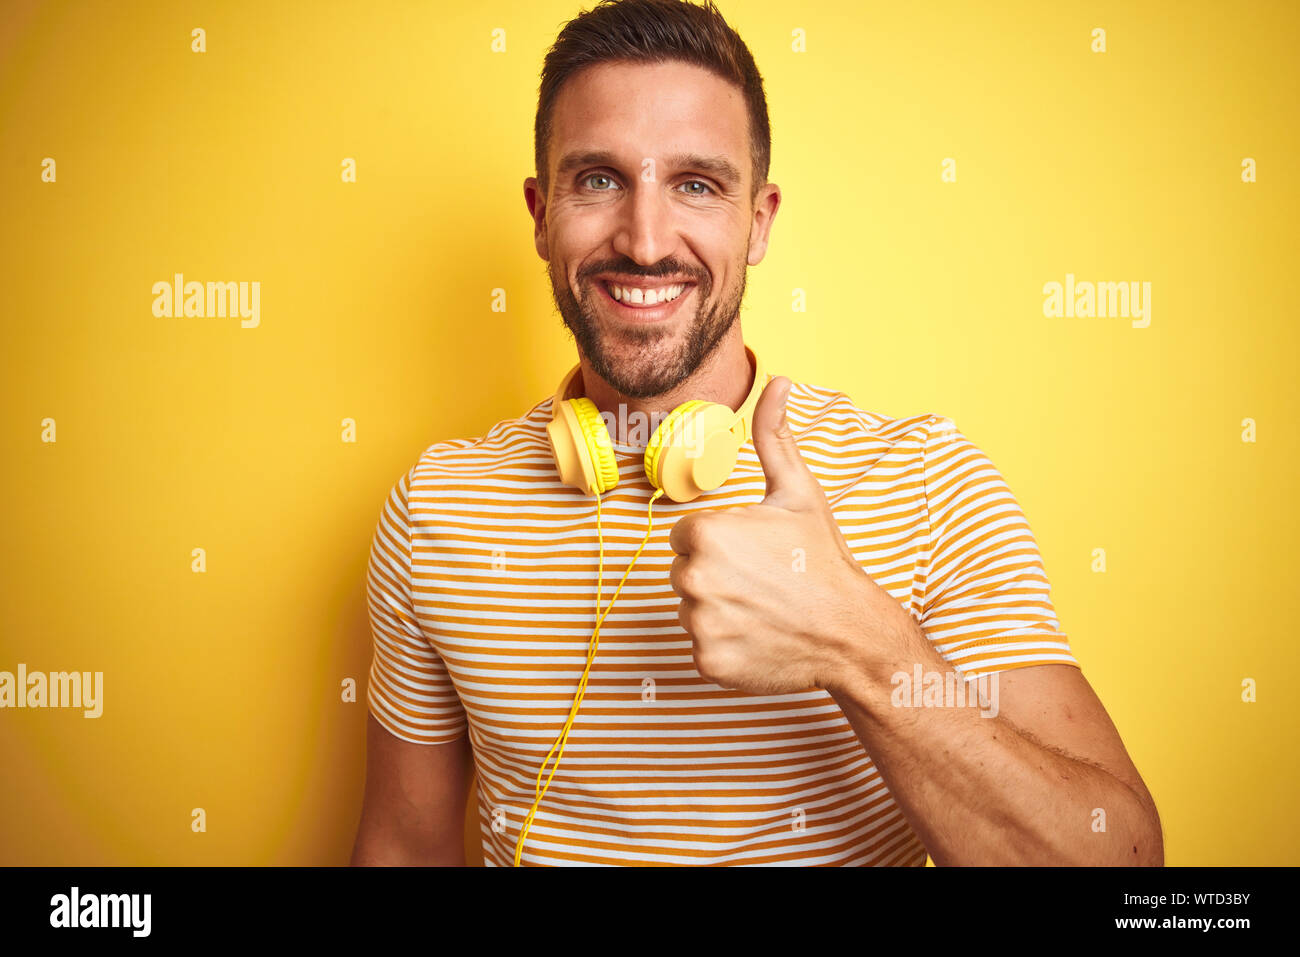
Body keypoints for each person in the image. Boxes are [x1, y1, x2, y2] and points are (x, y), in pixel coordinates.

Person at [350, 0, 1162, 866]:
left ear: (760, 220)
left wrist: (855, 643)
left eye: (696, 184)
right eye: (598, 180)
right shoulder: (437, 510)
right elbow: (404, 845)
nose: (647, 239)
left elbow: (1125, 869)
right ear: (541, 213)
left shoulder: (926, 482)